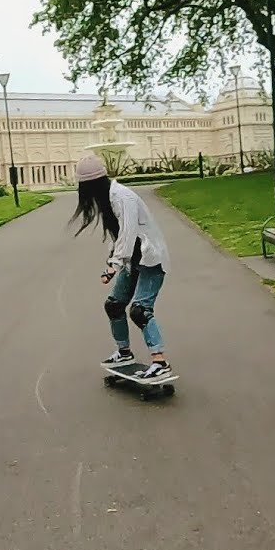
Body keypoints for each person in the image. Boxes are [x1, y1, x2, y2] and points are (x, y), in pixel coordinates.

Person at [70, 155, 176, 381]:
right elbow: (118, 238)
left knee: (140, 310)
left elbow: (127, 236)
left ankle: (160, 362)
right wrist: (112, 260)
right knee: (114, 305)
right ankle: (124, 353)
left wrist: (113, 266)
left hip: (150, 259)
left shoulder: (122, 197)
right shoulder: (107, 199)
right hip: (133, 260)